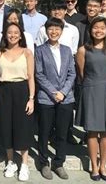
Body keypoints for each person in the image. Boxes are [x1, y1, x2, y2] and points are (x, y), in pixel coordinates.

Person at [75, 17, 106, 182]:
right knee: (92, 130)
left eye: (102, 28)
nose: (99, 30)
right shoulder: (83, 50)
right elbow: (82, 73)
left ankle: (103, 165)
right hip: (90, 89)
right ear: (91, 30)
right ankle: (94, 166)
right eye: (96, 28)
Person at [35, 17, 76, 180]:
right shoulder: (39, 50)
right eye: (50, 29)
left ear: (61, 31)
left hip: (65, 98)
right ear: (46, 31)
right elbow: (38, 73)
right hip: (46, 98)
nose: (54, 32)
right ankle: (44, 162)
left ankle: (58, 163)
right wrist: (53, 92)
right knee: (44, 132)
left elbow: (72, 73)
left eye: (57, 29)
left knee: (62, 133)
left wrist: (63, 92)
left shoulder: (67, 50)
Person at [0, 22, 35, 181]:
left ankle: (24, 164)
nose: (12, 35)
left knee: (22, 126)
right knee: (6, 126)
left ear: (20, 35)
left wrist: (31, 98)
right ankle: (10, 161)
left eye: (16, 32)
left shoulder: (27, 53)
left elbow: (31, 77)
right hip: (4, 92)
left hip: (22, 91)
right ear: (5, 35)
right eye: (9, 32)